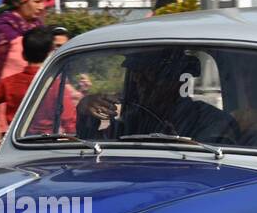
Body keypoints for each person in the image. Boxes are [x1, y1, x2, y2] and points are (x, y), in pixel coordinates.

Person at [76, 49, 239, 143]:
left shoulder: (211, 121)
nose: (140, 82)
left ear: (175, 79)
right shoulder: (132, 120)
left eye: (150, 74)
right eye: (137, 75)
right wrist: (86, 111)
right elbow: (94, 147)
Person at [0, 26, 63, 159]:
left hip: (18, 147)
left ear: (23, 54)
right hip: (48, 148)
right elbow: (69, 118)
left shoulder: (9, 83)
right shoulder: (56, 84)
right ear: (51, 53)